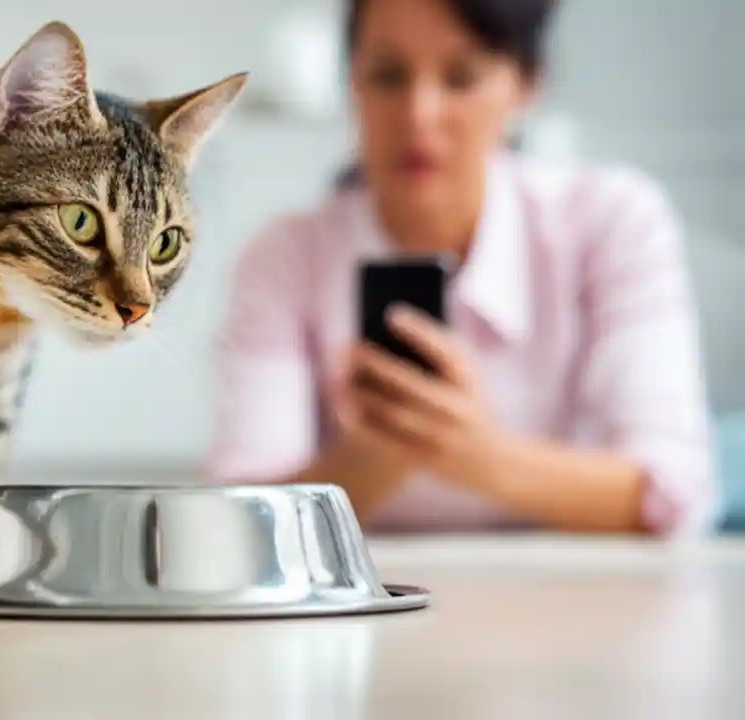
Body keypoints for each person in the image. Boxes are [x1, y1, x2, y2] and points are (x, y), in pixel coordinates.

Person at [206, 0, 719, 535]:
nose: (419, 114)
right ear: (350, 80)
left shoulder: (613, 222)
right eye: (388, 75)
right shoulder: (281, 257)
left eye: (462, 76)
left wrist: (477, 455)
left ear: (526, 84)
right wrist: (377, 455)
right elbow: (241, 519)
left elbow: (678, 494)